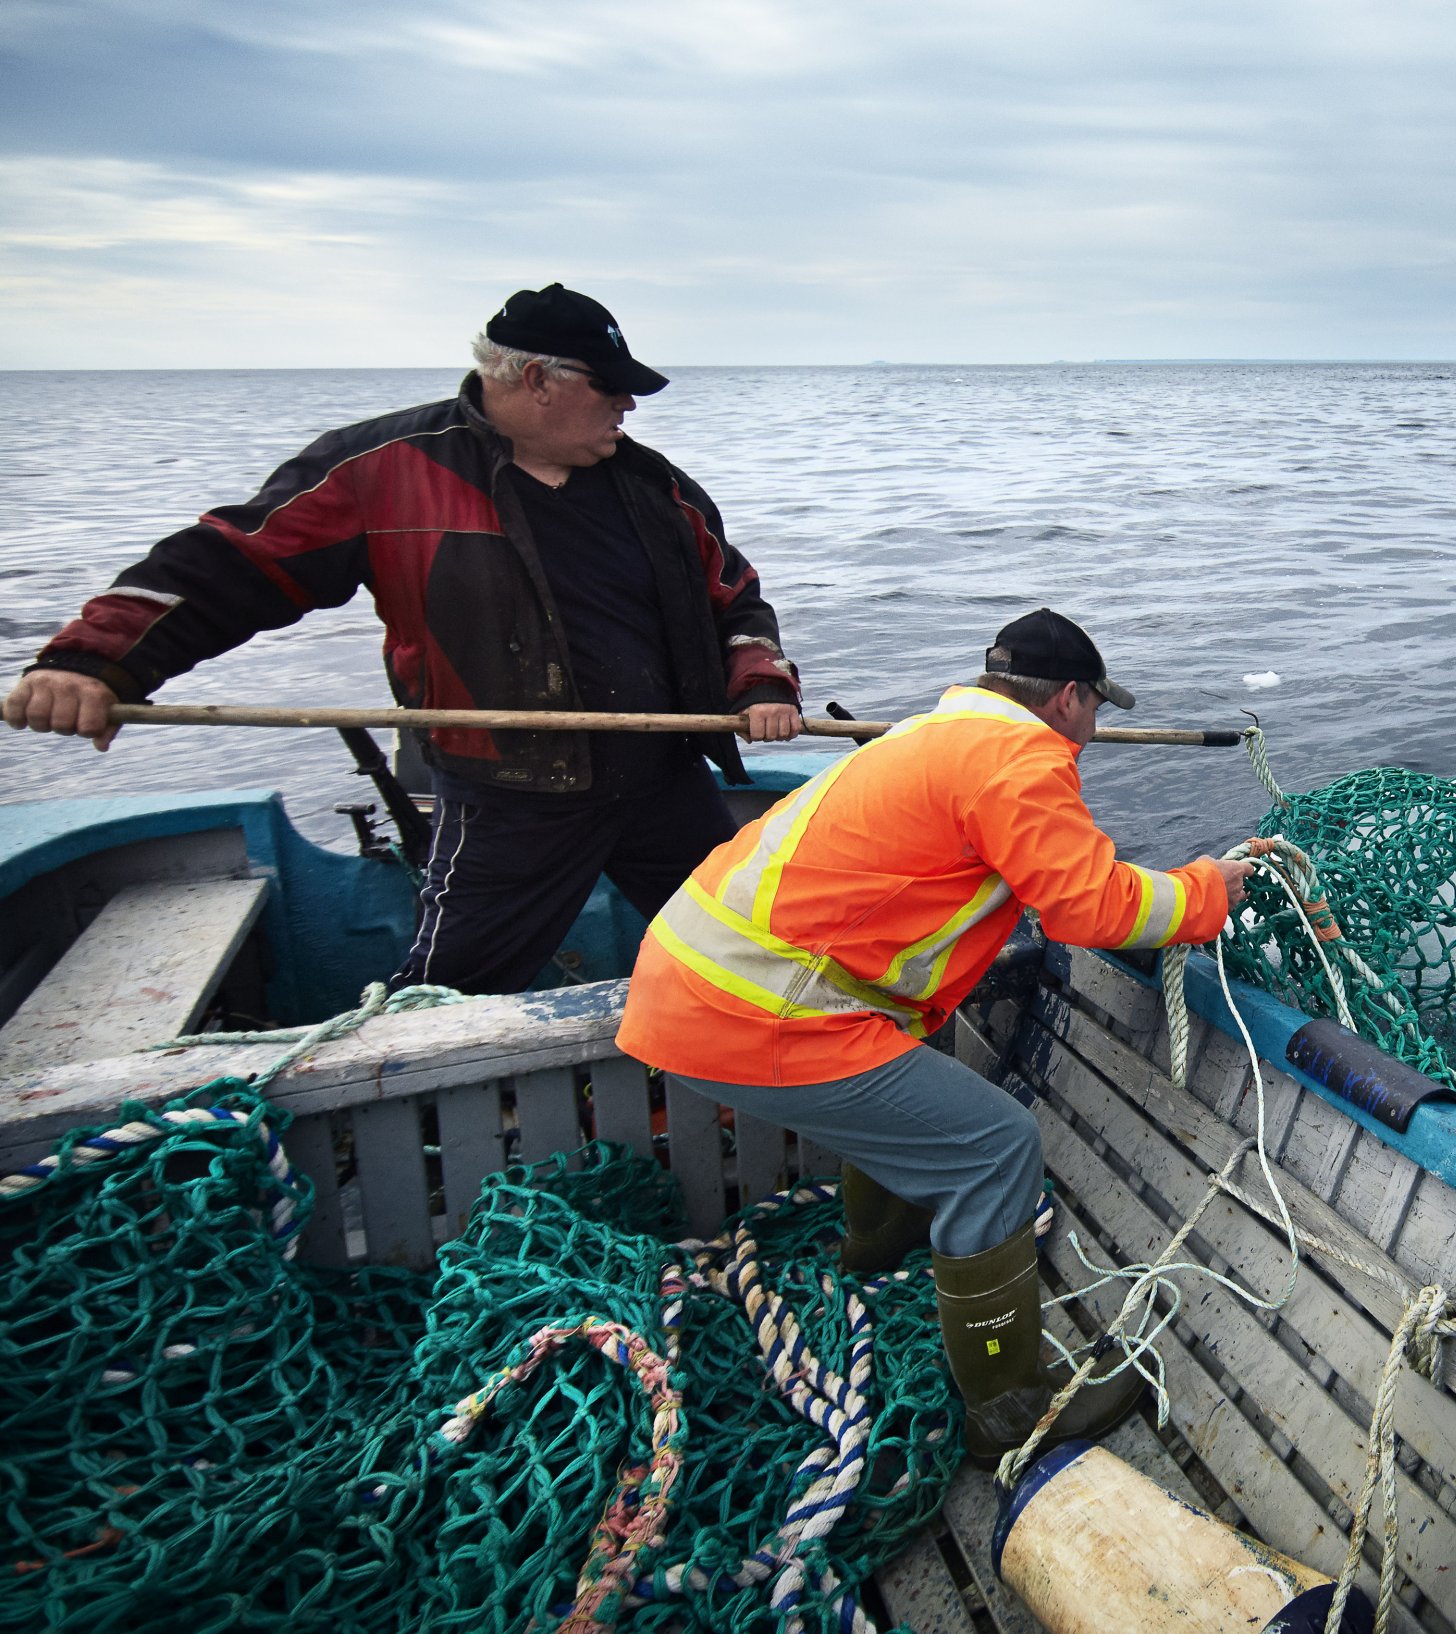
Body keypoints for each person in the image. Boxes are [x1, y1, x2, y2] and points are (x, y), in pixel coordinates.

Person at [3, 284, 812, 995]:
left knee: (759, 957)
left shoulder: (654, 485)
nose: (626, 408)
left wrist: (763, 684)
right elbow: (230, 565)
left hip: (664, 780)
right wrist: (90, 662)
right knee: (446, 993)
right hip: (508, 794)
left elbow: (733, 601)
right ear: (537, 380)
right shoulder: (383, 468)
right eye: (611, 389)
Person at [616, 608, 1252, 1464]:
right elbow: (1091, 907)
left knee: (915, 1081)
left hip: (693, 981)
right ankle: (1006, 1405)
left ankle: (877, 1261)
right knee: (994, 1148)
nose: (1095, 731)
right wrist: (1206, 888)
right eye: (1098, 709)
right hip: (758, 1009)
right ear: (1068, 698)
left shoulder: (937, 734)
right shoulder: (1018, 757)